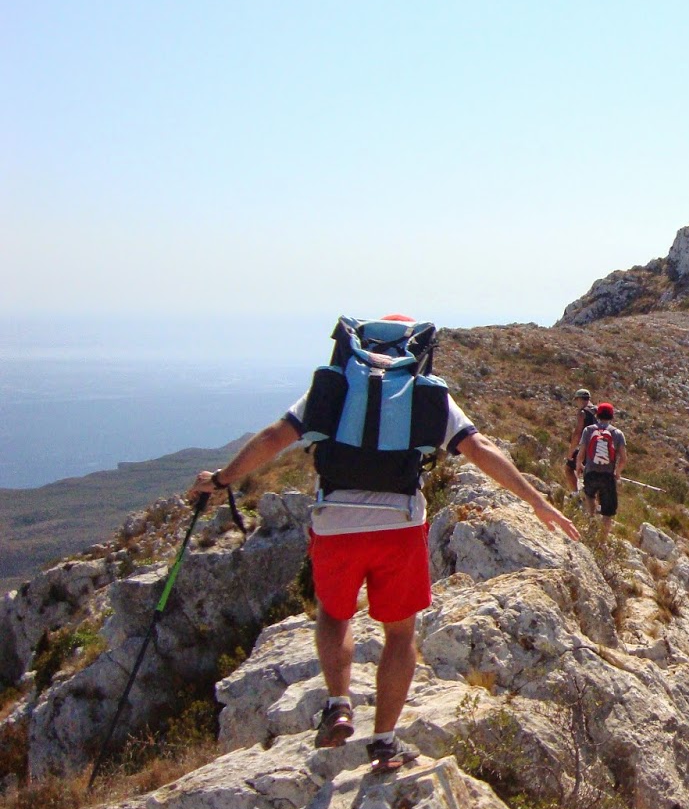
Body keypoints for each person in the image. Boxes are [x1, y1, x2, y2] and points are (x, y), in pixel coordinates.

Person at [187, 315, 579, 771]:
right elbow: (480, 448)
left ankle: (338, 703)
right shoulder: (423, 390)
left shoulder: (337, 383)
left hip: (335, 525)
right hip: (399, 527)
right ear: (412, 348)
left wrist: (221, 479)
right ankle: (385, 743)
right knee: (400, 635)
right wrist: (537, 502)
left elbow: (277, 436)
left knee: (334, 616)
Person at [577, 402, 626, 542]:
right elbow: (623, 458)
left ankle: (591, 523)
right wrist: (617, 472)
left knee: (590, 497)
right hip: (607, 476)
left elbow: (581, 453)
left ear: (597, 415)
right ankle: (601, 542)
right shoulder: (617, 433)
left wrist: (579, 466)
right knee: (607, 512)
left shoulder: (589, 430)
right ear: (611, 416)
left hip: (590, 473)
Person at [564, 388, 599, 493]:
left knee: (568, 468)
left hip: (587, 449)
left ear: (579, 399)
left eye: (577, 400)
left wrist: (570, 452)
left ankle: (575, 494)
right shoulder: (598, 411)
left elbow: (577, 434)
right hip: (601, 449)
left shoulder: (582, 413)